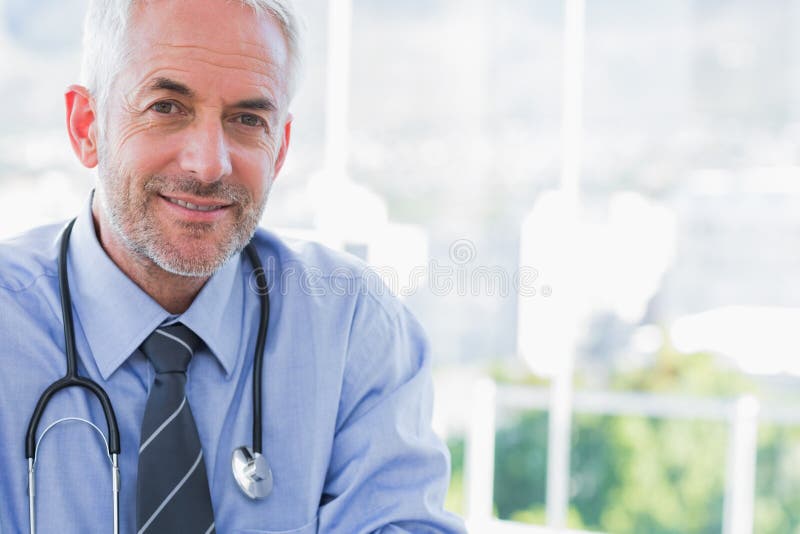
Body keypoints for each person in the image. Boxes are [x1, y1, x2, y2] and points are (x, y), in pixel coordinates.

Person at [0, 0, 466, 532]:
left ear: (281, 148)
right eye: (166, 107)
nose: (208, 163)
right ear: (86, 126)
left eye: (247, 119)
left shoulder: (353, 326)